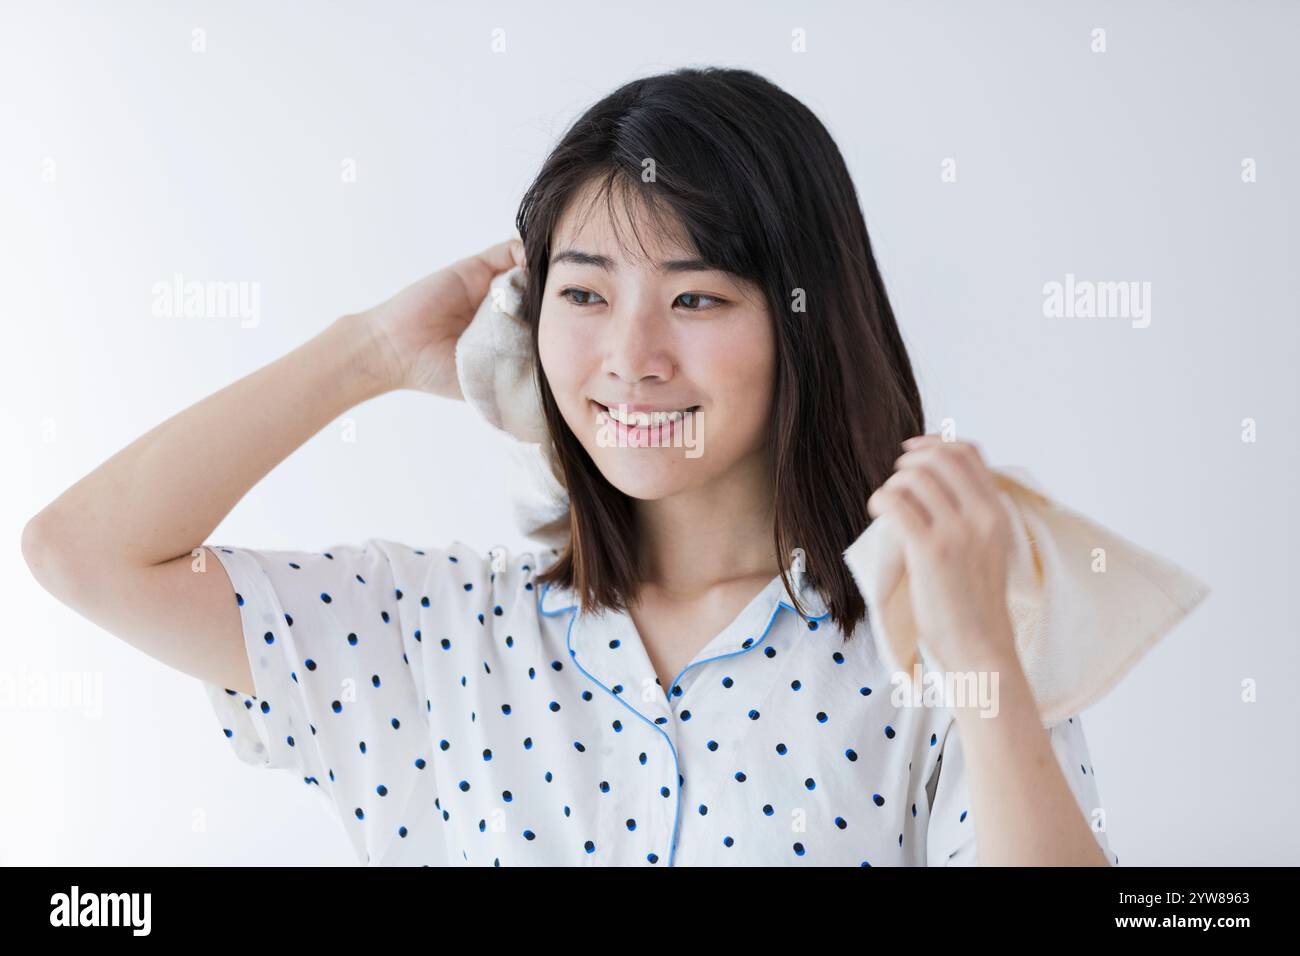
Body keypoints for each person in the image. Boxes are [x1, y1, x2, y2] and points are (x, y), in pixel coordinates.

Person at [21, 66, 1116, 867]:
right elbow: (82, 553)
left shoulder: (943, 648)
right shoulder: (428, 633)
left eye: (695, 298)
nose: (630, 360)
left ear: (804, 323)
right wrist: (371, 352)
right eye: (584, 294)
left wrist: (977, 641)